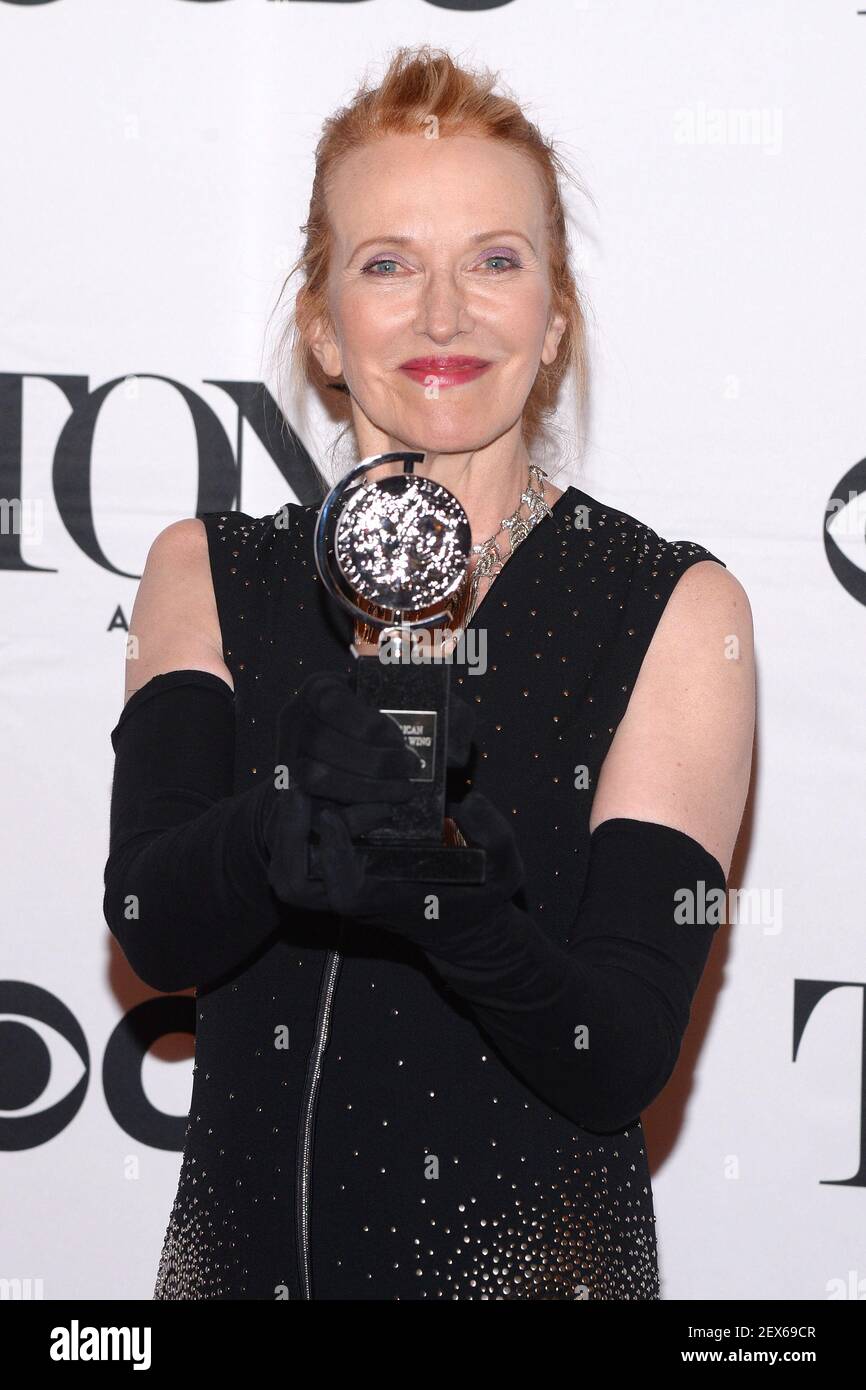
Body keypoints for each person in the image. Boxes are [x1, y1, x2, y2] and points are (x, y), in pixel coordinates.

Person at [103, 44, 755, 1301]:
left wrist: (449, 899)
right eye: (388, 263)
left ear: (552, 319)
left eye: (494, 262)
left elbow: (614, 1052)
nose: (444, 314)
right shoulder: (205, 570)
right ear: (323, 327)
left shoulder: (671, 606)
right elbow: (152, 923)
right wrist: (279, 829)